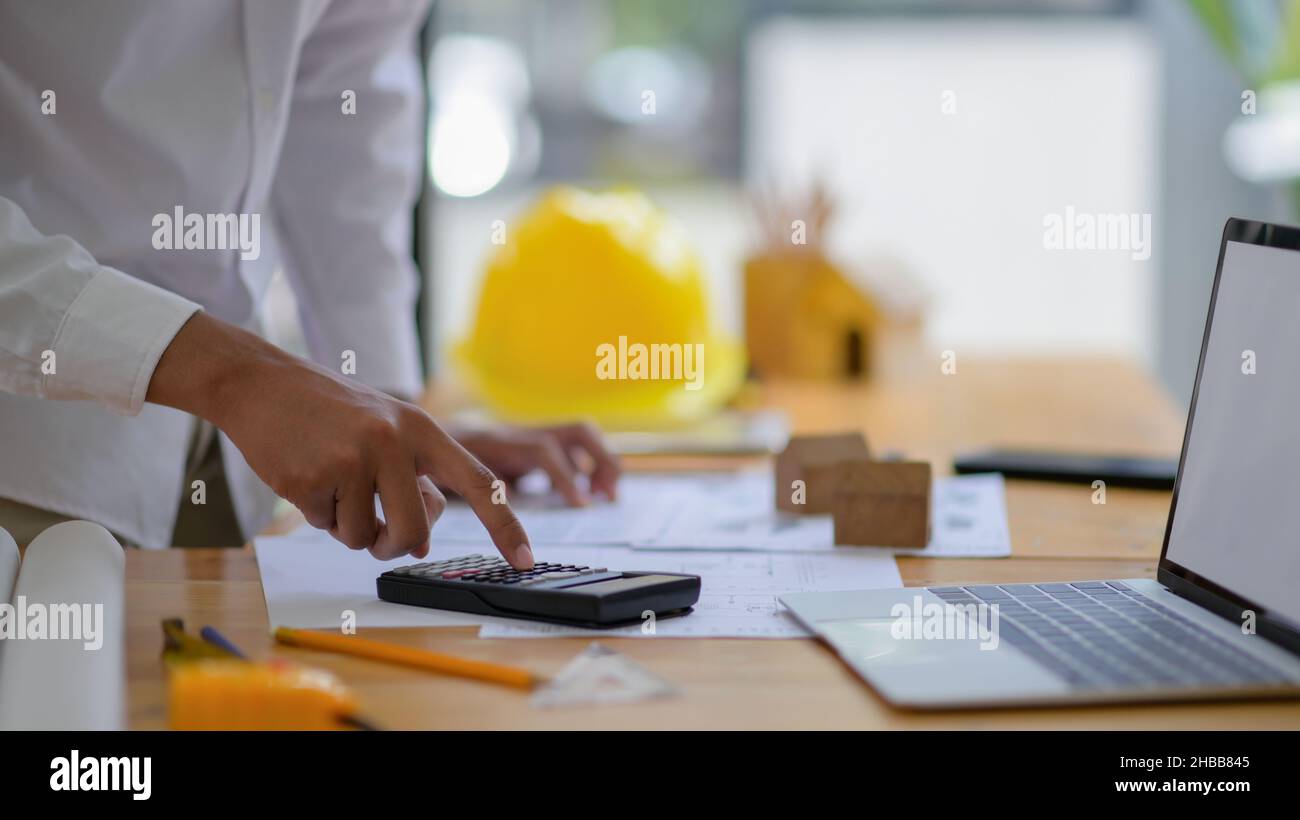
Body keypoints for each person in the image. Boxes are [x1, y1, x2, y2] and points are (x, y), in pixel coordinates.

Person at [0, 0, 619, 567]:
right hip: (30, 450)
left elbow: (343, 95)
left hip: (220, 464)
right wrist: (232, 375)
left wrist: (392, 425)